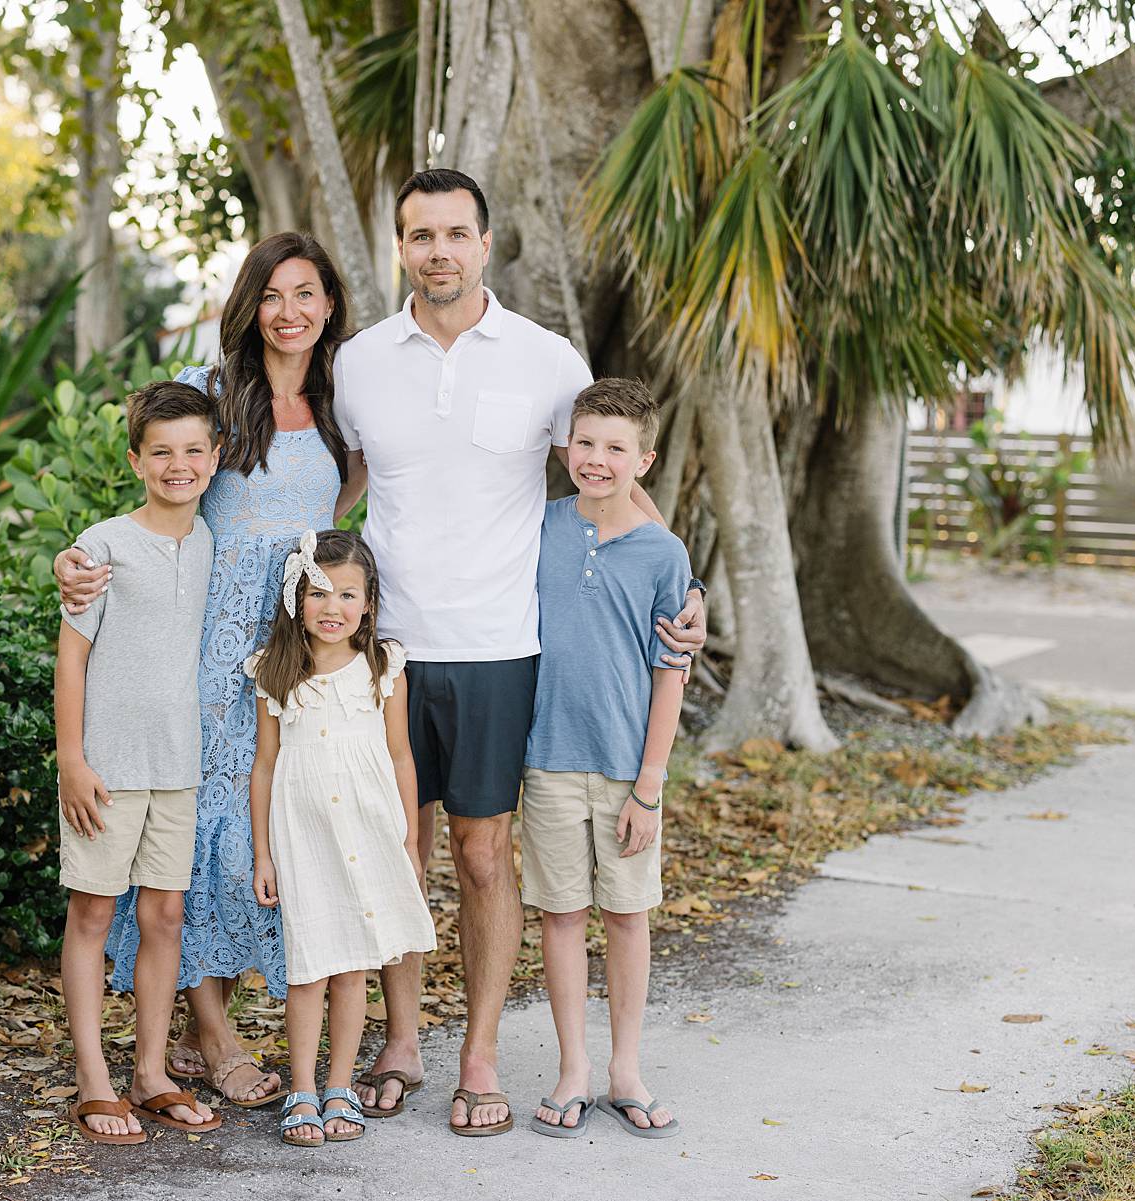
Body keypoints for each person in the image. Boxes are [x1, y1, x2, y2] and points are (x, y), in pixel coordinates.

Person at [333, 169, 708, 1134]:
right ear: (401, 248)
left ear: (486, 244)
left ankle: (481, 1054)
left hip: (500, 649)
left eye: (457, 233)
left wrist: (684, 586)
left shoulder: (547, 359)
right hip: (386, 650)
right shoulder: (359, 363)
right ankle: (402, 1040)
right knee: (400, 852)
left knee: (483, 854)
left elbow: (610, 473)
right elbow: (345, 484)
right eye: (422, 235)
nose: (440, 251)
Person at [53, 233, 363, 1108]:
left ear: (329, 304)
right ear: (249, 305)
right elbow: (161, 487)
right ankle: (215, 1035)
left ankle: (194, 1032)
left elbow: (336, 502)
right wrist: (71, 563)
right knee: (203, 832)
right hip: (205, 643)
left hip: (290, 643)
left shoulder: (342, 404)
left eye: (305, 293)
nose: (289, 312)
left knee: (260, 824)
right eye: (271, 294)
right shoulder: (219, 391)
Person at [53, 380, 223, 1145]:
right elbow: (71, 658)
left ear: (214, 459)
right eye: (161, 452)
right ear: (135, 460)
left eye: (192, 450)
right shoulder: (103, 546)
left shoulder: (210, 540)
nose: (177, 465)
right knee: (92, 912)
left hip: (177, 765)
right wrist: (71, 758)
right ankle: (94, 1078)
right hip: (107, 766)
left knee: (165, 915)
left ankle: (151, 1072)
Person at [520, 379, 689, 1140]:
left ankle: (626, 1069)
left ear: (643, 461)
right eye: (585, 442)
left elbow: (670, 671)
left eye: (616, 448)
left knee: (626, 915)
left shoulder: (663, 553)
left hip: (627, 769)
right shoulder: (540, 524)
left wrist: (649, 785)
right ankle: (573, 1068)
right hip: (548, 758)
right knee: (561, 914)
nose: (596, 459)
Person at [247, 529, 436, 1147]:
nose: (333, 608)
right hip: (303, 838)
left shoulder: (382, 666)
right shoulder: (275, 672)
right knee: (308, 967)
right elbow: (265, 766)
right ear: (296, 600)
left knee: (354, 966)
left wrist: (408, 841)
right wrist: (263, 855)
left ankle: (339, 1087)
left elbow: (401, 755)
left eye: (347, 594)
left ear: (368, 602)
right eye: (319, 593)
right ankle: (302, 1089)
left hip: (367, 829)